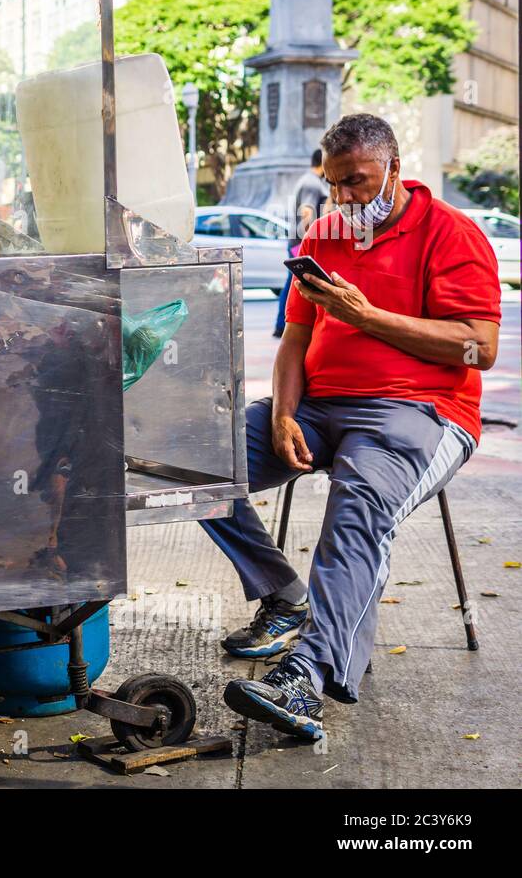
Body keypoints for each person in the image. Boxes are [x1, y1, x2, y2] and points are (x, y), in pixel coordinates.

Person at [201, 113, 500, 740]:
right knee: (192, 457)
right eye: (335, 184)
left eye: (358, 182)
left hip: (419, 412)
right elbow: (295, 341)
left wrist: (367, 317)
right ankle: (283, 595)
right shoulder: (323, 235)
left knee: (358, 503)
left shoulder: (452, 233)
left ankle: (307, 678)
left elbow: (478, 348)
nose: (345, 198)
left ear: (394, 166)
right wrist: (283, 411)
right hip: (316, 409)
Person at [274, 148, 329, 337]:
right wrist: (313, 240)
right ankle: (283, 325)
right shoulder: (312, 184)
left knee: (292, 283)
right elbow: (307, 212)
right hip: (302, 241)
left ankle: (281, 324)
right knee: (295, 285)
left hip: (297, 240)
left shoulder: (307, 180)